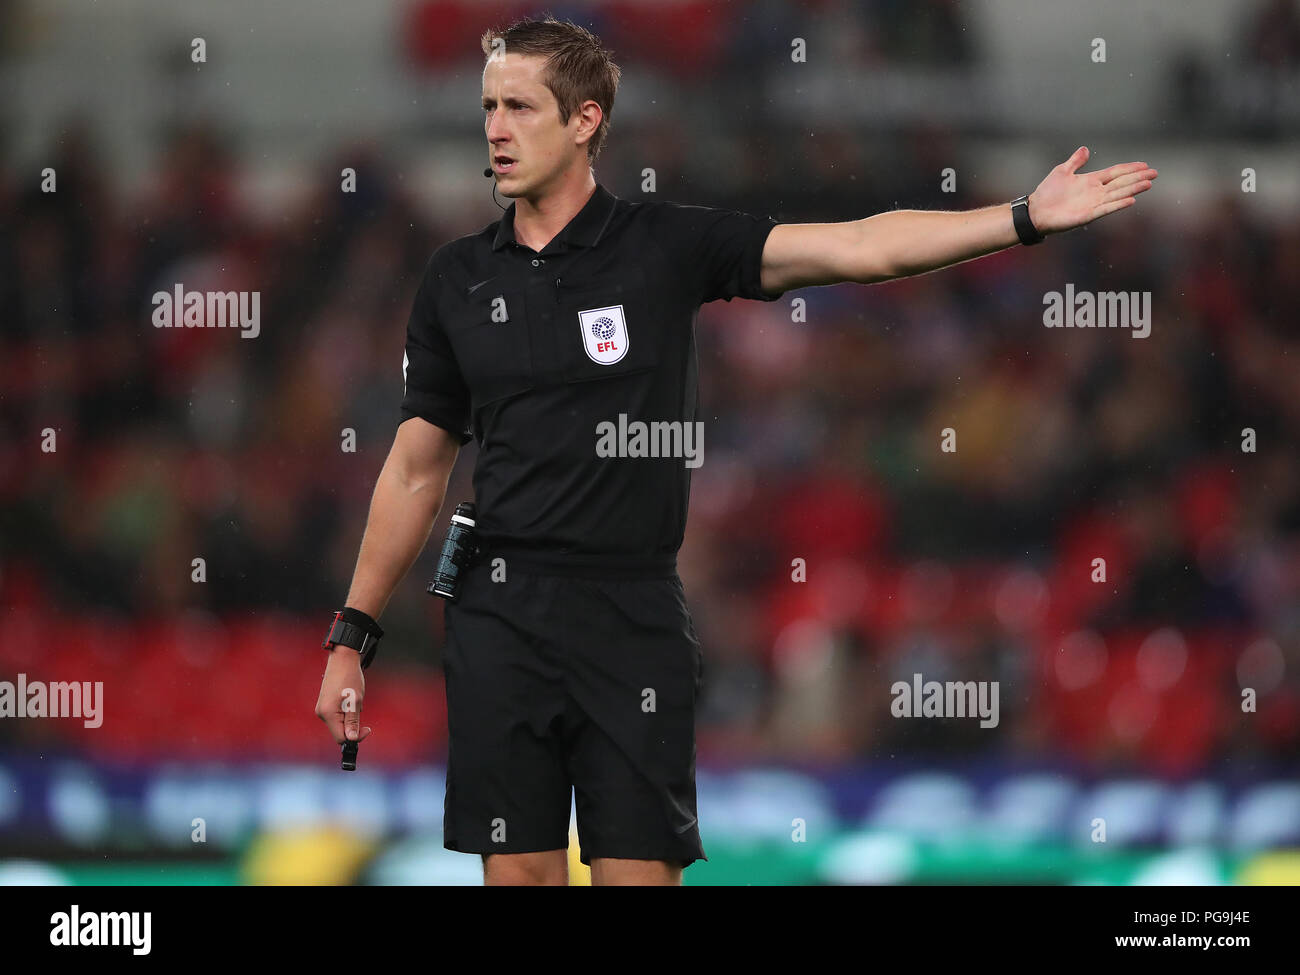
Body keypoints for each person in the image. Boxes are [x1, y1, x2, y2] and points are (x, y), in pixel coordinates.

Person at [315, 15, 1158, 886]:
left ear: (585, 120)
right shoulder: (457, 278)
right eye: (488, 105)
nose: (495, 127)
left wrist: (1021, 217)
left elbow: (860, 245)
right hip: (498, 614)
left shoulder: (664, 246)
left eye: (521, 107)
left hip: (631, 616)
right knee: (518, 875)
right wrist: (354, 635)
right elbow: (418, 466)